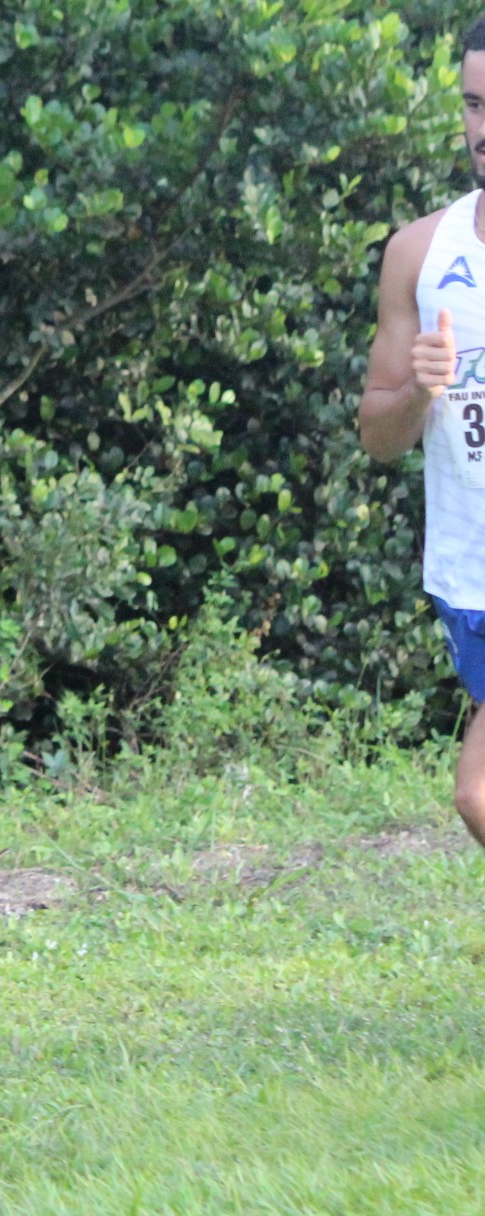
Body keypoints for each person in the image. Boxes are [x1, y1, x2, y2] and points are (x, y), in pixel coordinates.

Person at [361, 16, 485, 850]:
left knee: (476, 791)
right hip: (465, 575)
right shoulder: (416, 253)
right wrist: (418, 386)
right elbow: (377, 435)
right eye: (474, 106)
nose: (484, 128)